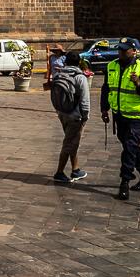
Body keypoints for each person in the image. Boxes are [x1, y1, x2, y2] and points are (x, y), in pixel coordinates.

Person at [100, 37, 140, 200]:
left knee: (129, 146)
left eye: (125, 50)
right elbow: (106, 88)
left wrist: (139, 83)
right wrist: (104, 108)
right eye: (120, 49)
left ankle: (125, 182)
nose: (121, 52)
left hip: (136, 116)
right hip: (119, 114)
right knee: (130, 147)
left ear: (133, 51)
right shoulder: (112, 66)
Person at [51, 51, 89, 183]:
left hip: (62, 113)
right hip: (75, 116)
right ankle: (59, 172)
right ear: (79, 62)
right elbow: (85, 101)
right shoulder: (80, 77)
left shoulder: (59, 74)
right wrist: (85, 117)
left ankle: (76, 169)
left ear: (65, 61)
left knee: (72, 140)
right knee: (69, 143)